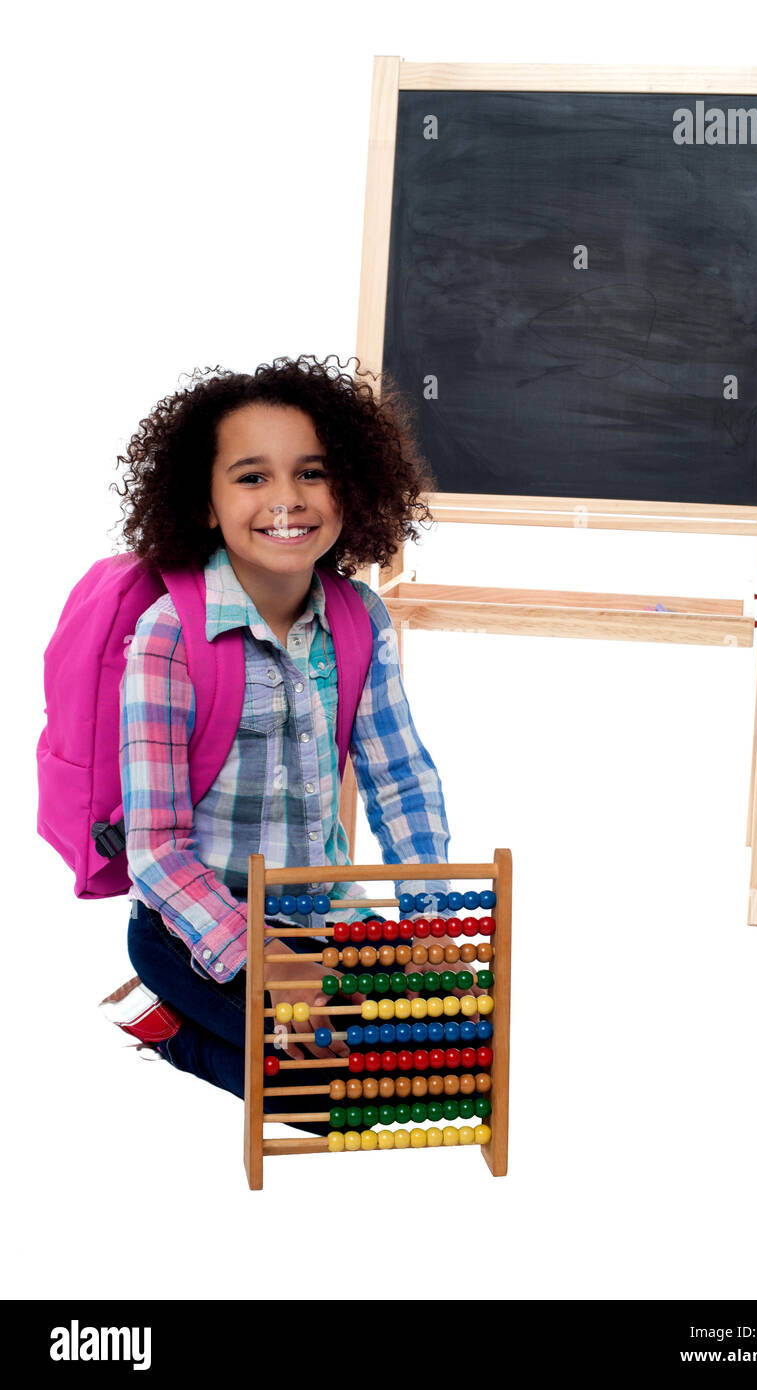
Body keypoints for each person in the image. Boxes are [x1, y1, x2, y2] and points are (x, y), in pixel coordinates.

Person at [106, 353, 459, 1135]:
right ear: (204, 502)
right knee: (341, 1103)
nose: (287, 502)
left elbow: (399, 778)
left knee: (434, 1058)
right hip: (199, 932)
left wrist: (428, 918)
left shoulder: (359, 617)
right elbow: (156, 850)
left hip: (315, 920)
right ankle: (169, 1029)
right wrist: (270, 968)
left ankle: (312, 1025)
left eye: (311, 472)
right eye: (252, 477)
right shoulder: (170, 635)